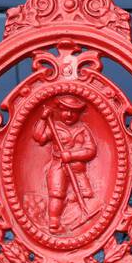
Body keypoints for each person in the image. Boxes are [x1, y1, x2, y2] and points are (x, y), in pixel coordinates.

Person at [31, 93, 97, 232]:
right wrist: (43, 119)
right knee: (57, 193)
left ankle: (78, 218)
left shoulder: (83, 129)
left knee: (85, 194)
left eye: (73, 111)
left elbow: (91, 150)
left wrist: (72, 155)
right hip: (58, 166)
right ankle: (54, 223)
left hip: (78, 169)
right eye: (65, 110)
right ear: (59, 111)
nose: (69, 114)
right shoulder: (55, 128)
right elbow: (39, 137)